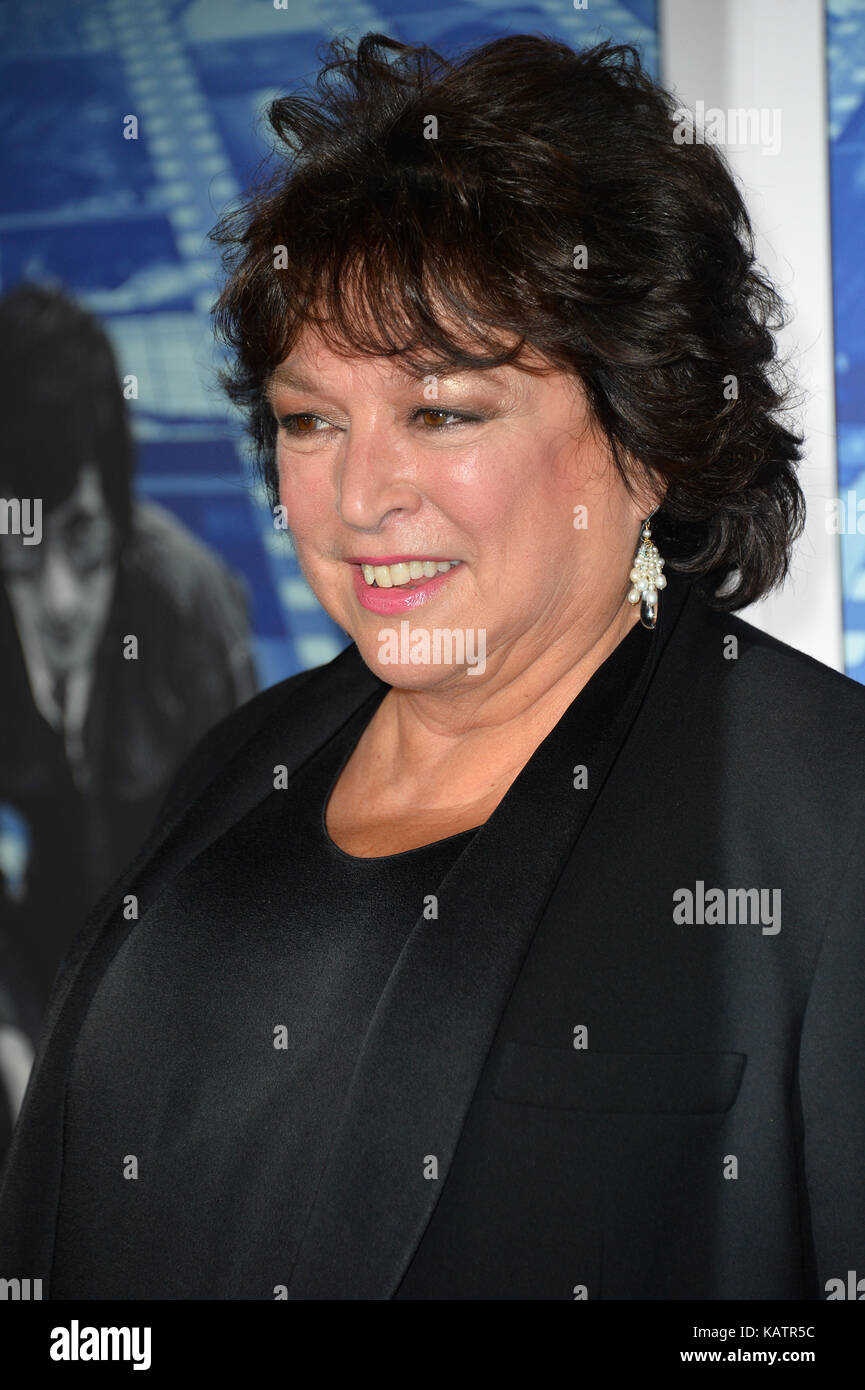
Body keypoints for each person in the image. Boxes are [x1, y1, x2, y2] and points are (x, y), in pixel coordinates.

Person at [0, 33, 862, 1302]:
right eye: (311, 421)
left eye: (441, 412)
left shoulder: (826, 818)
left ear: (648, 436)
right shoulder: (240, 762)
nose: (357, 497)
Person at [0, 284, 258, 1030]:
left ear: (116, 502)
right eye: (20, 546)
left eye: (81, 537)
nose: (58, 601)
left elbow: (244, 858)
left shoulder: (190, 609)